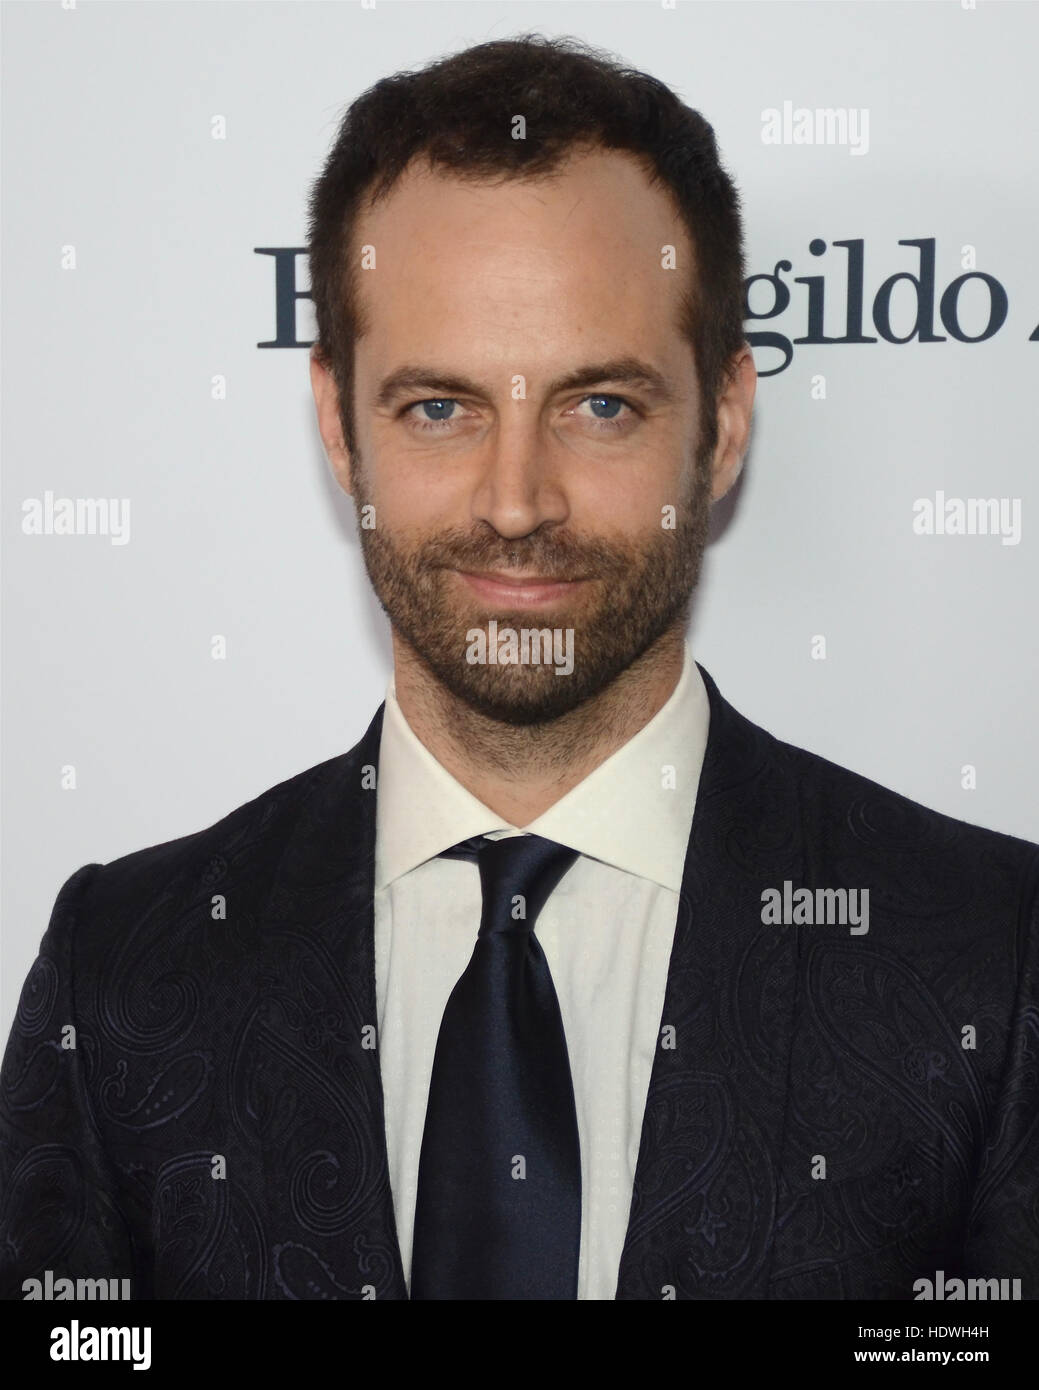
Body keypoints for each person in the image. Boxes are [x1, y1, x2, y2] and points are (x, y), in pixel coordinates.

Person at [2, 34, 1036, 1303]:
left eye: (599, 404)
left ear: (723, 427)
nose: (514, 502)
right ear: (337, 422)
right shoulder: (126, 969)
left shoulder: (992, 956)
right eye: (439, 407)